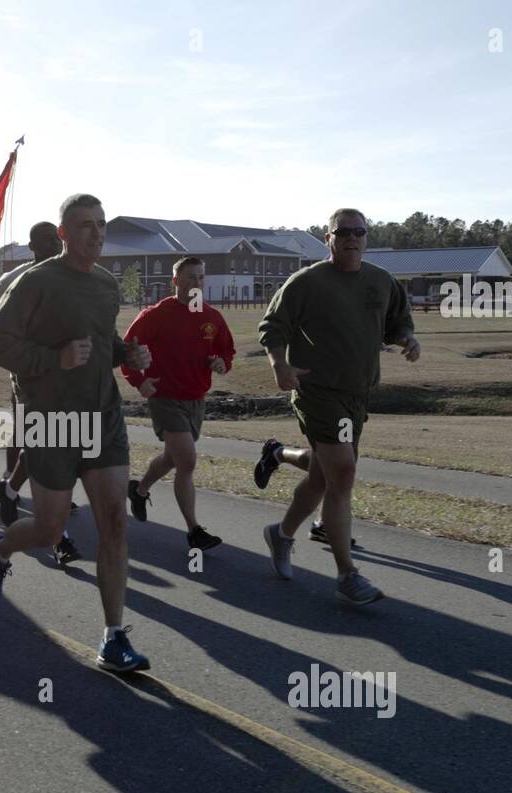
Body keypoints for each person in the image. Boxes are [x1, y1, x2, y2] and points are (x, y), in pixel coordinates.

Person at [0, 193, 154, 672]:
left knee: (114, 521)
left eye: (101, 225)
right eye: (84, 225)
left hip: (103, 417)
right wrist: (52, 359)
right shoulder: (35, 282)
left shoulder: (105, 284)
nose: (96, 234)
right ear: (63, 233)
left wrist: (127, 355)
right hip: (51, 421)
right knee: (50, 528)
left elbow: (103, 344)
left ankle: (113, 636)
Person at [259, 208, 420, 604]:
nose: (352, 238)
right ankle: (348, 574)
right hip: (317, 390)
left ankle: (280, 534)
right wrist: (280, 365)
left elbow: (397, 321)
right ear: (328, 238)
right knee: (343, 474)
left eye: (359, 232)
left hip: (357, 394)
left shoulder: (381, 282)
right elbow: (272, 328)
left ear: (367, 237)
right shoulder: (306, 282)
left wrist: (407, 340)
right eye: (343, 232)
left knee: (321, 477)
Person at [0, 221, 81, 566]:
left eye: (54, 239)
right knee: (45, 446)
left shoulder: (75, 275)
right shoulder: (14, 280)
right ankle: (60, 537)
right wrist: (26, 357)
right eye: (42, 241)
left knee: (58, 444)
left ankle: (9, 488)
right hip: (31, 377)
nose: (50, 246)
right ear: (31, 245)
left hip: (69, 377)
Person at [122, 255, 235, 551]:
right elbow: (127, 350)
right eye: (190, 278)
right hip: (165, 397)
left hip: (196, 398)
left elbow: (226, 350)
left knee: (173, 458)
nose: (196, 283)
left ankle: (139, 488)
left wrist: (221, 363)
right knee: (187, 460)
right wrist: (139, 381)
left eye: (200, 278)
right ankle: (194, 531)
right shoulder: (156, 315)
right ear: (175, 282)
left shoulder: (212, 317)